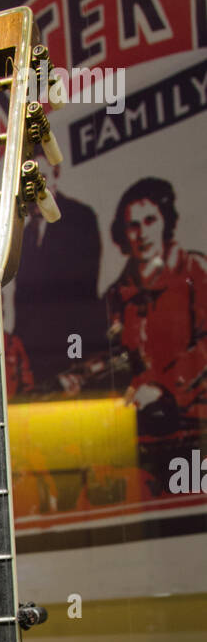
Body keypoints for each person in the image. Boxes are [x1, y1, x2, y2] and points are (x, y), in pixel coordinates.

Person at [104, 177, 207, 483]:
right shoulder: (115, 295)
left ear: (166, 221)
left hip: (195, 426)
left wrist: (164, 389)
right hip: (140, 435)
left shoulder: (195, 271)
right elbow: (117, 358)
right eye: (133, 225)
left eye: (150, 220)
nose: (142, 232)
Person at [14, 151, 106, 389]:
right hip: (35, 359)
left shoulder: (80, 218)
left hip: (72, 354)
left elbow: (82, 293)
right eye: (27, 182)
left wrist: (77, 361)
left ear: (55, 176)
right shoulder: (22, 234)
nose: (33, 188)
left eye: (40, 178)